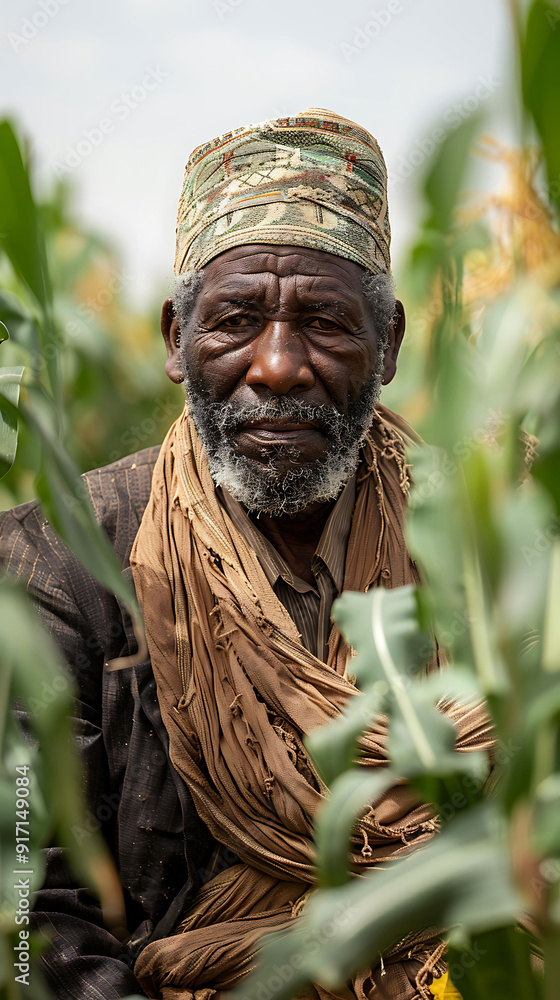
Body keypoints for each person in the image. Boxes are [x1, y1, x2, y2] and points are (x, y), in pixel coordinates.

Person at [0, 109, 491, 999]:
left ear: (389, 345)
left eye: (326, 324)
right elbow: (30, 913)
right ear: (173, 341)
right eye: (235, 320)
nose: (276, 365)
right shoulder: (58, 568)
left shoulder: (492, 555)